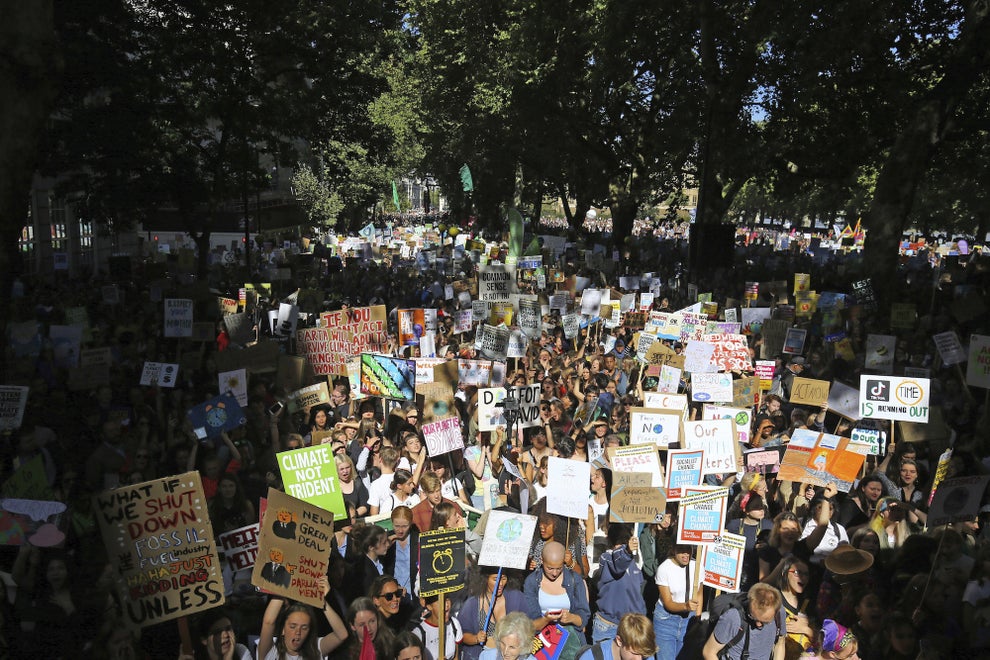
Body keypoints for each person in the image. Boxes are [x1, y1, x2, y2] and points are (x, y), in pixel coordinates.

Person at [257, 575, 349, 660]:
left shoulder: (315, 649)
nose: (298, 632)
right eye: (293, 626)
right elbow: (268, 622)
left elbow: (342, 635)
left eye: (304, 627)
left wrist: (322, 601)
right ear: (283, 629)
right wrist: (281, 587)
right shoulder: (271, 652)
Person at [523, 541, 591, 650]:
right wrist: (546, 619)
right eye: (550, 568)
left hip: (570, 644)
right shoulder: (532, 582)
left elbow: (583, 617)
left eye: (559, 568)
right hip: (542, 644)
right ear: (542, 560)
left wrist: (571, 617)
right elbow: (530, 624)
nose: (554, 573)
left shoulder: (575, 580)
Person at [702, 583, 787, 660]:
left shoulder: (779, 613)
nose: (758, 625)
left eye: (765, 622)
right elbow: (709, 652)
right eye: (753, 618)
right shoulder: (733, 617)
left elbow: (780, 642)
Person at [458, 567, 528, 660]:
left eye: (504, 578)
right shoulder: (472, 603)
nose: (501, 583)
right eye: (495, 579)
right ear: (485, 579)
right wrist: (476, 638)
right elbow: (461, 635)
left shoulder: (516, 597)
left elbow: (530, 625)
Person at [592, 524, 645, 642]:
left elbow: (637, 595)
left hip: (631, 626)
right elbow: (618, 563)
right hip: (608, 626)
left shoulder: (634, 564)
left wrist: (642, 619)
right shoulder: (607, 558)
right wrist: (626, 550)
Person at [652, 543, 701, 660]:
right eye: (681, 549)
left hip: (688, 621)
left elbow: (699, 594)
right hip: (666, 621)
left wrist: (697, 620)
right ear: (673, 549)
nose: (686, 553)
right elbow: (668, 602)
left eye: (688, 548)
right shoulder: (664, 569)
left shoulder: (697, 566)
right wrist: (686, 606)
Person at [764, 556, 816, 658]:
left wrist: (805, 629)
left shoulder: (808, 604)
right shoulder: (773, 600)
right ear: (784, 573)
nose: (803, 578)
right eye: (797, 573)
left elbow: (822, 639)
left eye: (806, 574)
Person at [577, 613, 657, 660]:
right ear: (619, 641)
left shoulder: (645, 653)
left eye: (642, 655)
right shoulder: (592, 657)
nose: (639, 659)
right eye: (634, 653)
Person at [383, 506, 420, 599]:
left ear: (410, 524)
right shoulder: (385, 540)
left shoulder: (418, 539)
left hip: (413, 594)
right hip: (393, 595)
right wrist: (386, 544)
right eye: (397, 526)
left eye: (404, 526)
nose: (400, 530)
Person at [413, 592, 463, 660]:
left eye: (447, 599)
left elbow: (456, 657)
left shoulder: (454, 624)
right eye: (441, 601)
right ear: (429, 606)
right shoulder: (417, 635)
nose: (446, 604)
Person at [336, 453, 371, 517]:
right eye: (342, 469)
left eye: (347, 467)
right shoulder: (333, 486)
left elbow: (365, 505)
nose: (345, 471)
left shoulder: (357, 482)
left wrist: (353, 515)